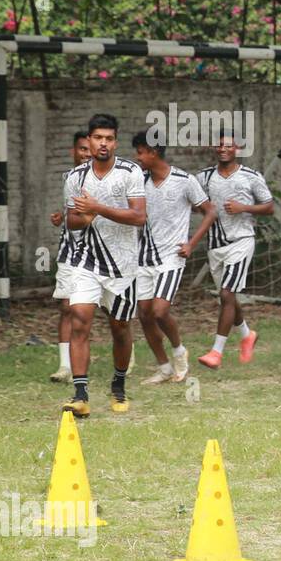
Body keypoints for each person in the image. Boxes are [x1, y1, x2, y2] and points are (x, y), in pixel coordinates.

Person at [61, 113, 147, 416]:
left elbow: (139, 217)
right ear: (90, 139)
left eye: (109, 139)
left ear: (116, 142)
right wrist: (83, 216)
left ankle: (119, 385)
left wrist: (97, 208)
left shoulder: (130, 172)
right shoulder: (76, 177)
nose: (103, 143)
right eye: (98, 138)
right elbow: (71, 220)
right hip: (86, 260)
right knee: (79, 318)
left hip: (123, 267)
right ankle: (80, 394)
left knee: (120, 328)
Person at [134, 128, 216, 385]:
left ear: (153, 152)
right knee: (144, 315)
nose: (137, 158)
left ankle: (180, 351)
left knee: (159, 311)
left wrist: (191, 244)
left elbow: (210, 212)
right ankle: (164, 367)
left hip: (171, 257)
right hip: (143, 258)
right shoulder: (139, 182)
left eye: (140, 153)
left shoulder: (184, 180)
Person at [196, 132, 274, 369]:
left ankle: (216, 352)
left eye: (228, 145)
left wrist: (244, 207)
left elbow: (269, 207)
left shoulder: (250, 177)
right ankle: (247, 335)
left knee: (227, 294)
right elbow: (193, 201)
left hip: (241, 241)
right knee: (228, 297)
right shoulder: (204, 178)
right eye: (219, 145)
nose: (223, 149)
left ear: (237, 148)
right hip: (215, 245)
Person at [49, 131, 92, 383]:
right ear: (73, 151)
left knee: (111, 311)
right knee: (67, 306)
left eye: (89, 149)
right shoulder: (68, 177)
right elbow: (69, 212)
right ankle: (65, 366)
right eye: (82, 149)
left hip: (100, 252)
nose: (86, 153)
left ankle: (124, 355)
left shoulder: (109, 178)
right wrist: (60, 217)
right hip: (70, 250)